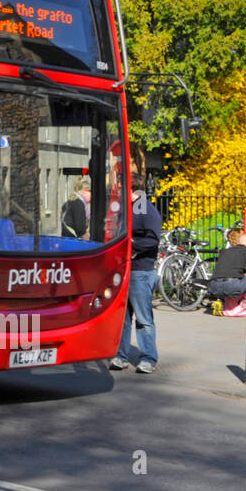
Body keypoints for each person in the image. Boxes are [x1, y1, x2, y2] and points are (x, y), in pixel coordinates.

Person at [111, 145, 162, 373]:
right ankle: (121, 356)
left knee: (143, 319)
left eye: (122, 185)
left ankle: (148, 358)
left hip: (140, 271)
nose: (118, 188)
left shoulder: (145, 210)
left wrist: (130, 246)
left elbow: (152, 240)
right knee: (123, 319)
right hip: (125, 270)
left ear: (133, 190)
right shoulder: (129, 209)